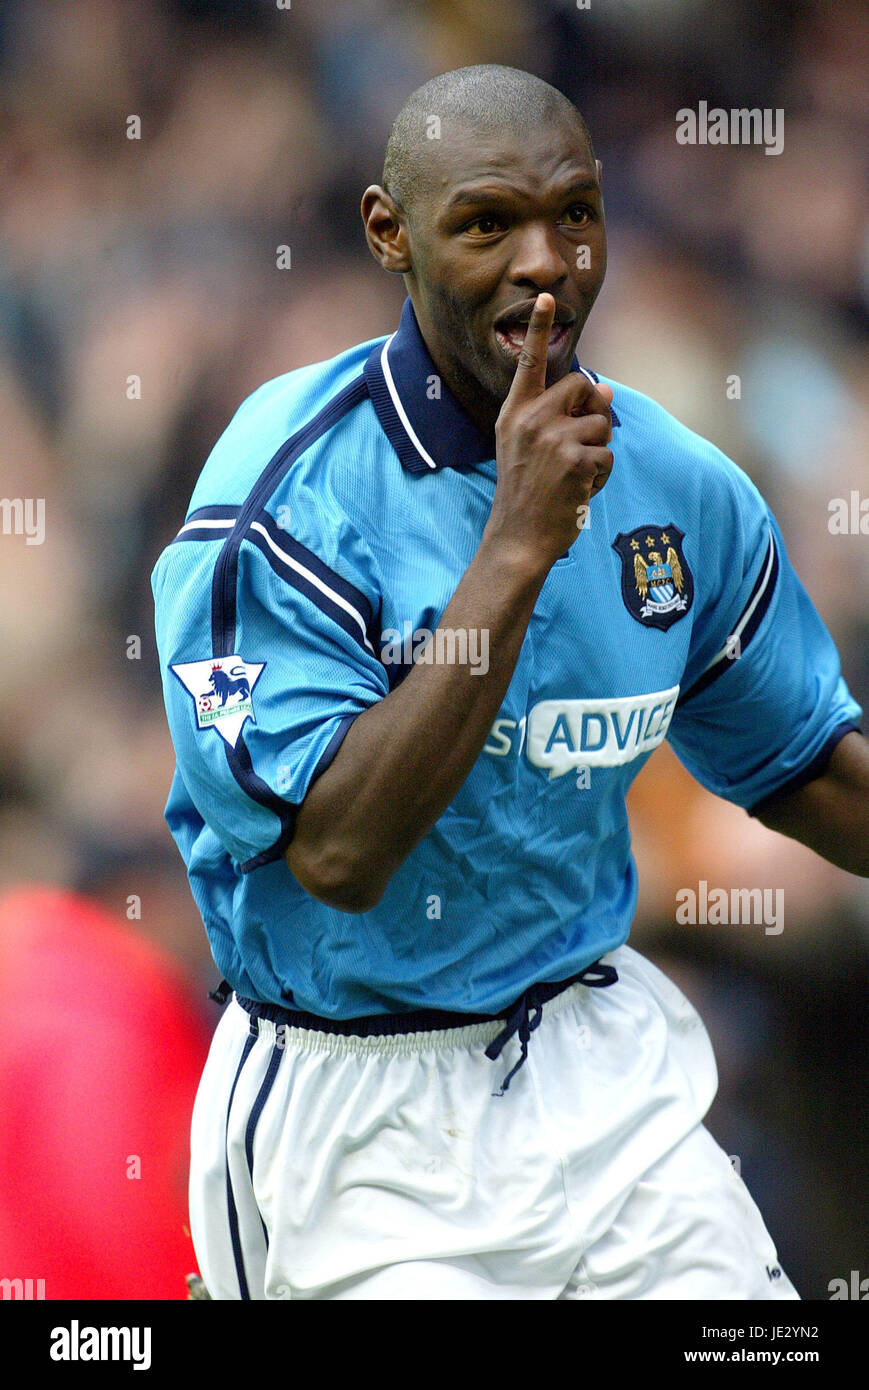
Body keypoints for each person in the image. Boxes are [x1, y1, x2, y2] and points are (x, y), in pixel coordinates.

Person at [151, 65, 868, 1301]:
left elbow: (802, 765)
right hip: (356, 1111)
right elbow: (338, 851)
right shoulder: (282, 498)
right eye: (487, 223)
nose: (546, 262)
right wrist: (518, 545)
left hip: (595, 1068)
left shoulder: (677, 485)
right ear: (391, 232)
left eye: (575, 215)